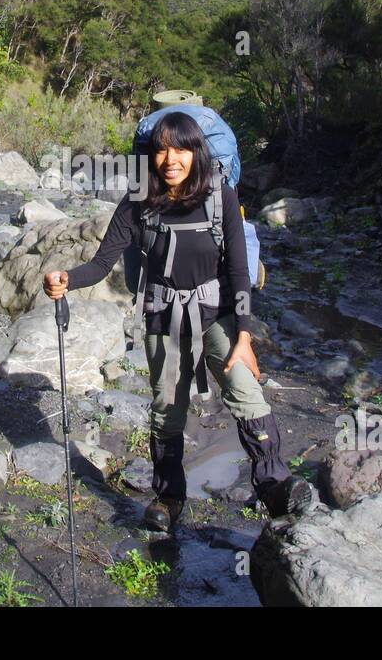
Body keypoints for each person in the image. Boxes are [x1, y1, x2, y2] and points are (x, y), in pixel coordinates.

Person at [43, 111, 312, 532]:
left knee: (246, 393)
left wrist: (243, 335)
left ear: (196, 152)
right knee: (167, 411)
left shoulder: (221, 195)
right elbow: (99, 265)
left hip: (218, 316)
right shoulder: (137, 202)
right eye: (161, 150)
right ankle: (168, 499)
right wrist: (66, 280)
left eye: (180, 149)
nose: (171, 159)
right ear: (150, 157)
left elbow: (239, 273)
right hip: (163, 317)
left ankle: (275, 487)